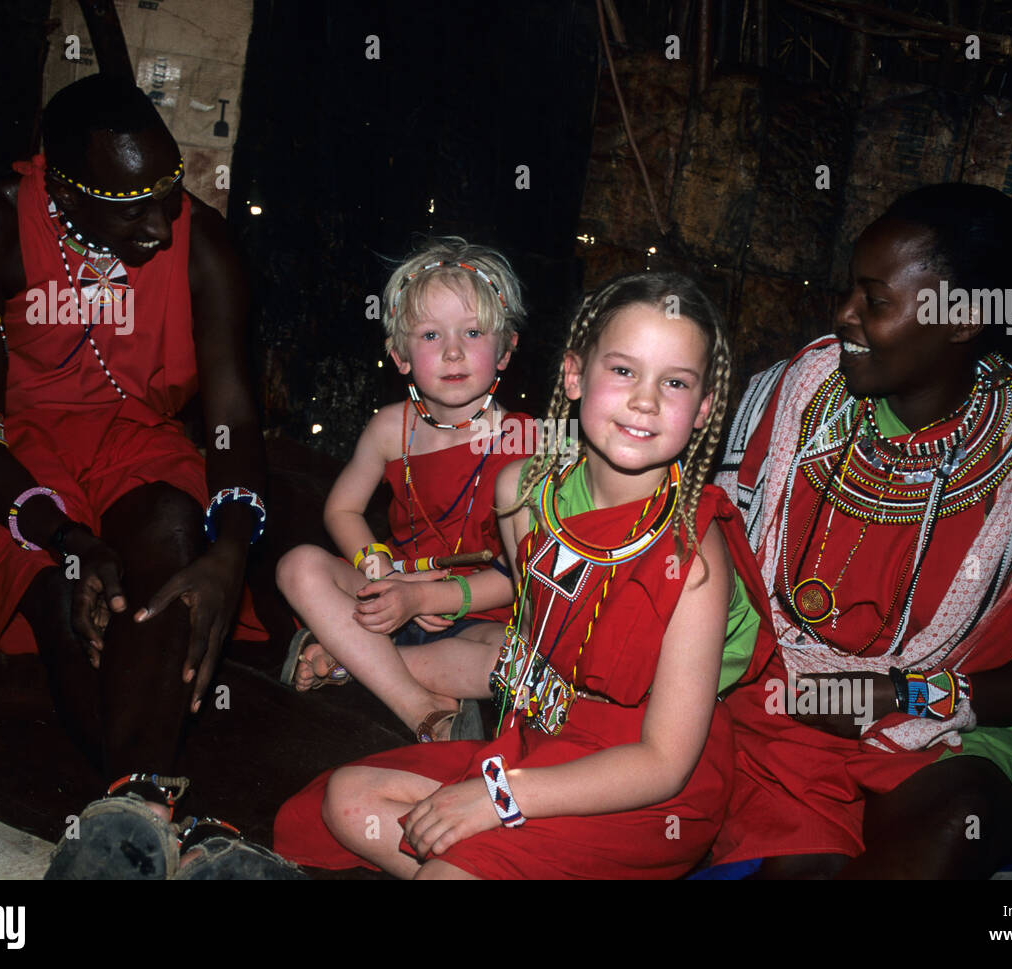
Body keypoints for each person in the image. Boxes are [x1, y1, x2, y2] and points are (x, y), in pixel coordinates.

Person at [273, 271, 773, 879]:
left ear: (703, 410)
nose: (646, 399)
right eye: (622, 370)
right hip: (545, 736)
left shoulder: (693, 555)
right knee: (348, 801)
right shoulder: (522, 493)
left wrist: (501, 799)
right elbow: (528, 648)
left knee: (444, 872)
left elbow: (664, 761)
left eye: (674, 382)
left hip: (641, 784)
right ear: (573, 375)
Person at [711, 183, 1012, 878]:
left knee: (951, 827)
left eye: (874, 302)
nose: (843, 314)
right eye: (852, 290)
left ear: (963, 318)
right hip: (774, 693)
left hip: (951, 728)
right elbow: (719, 571)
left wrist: (906, 695)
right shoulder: (792, 398)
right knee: (788, 855)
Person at [0, 73, 267, 781]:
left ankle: (134, 800)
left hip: (138, 440)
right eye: (131, 208)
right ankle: (144, 797)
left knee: (178, 552)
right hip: (14, 455)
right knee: (66, 594)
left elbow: (233, 416)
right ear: (60, 190)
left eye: (168, 194)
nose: (160, 225)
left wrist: (231, 547)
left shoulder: (204, 242)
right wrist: (66, 538)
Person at [275, 239, 532, 743]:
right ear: (400, 357)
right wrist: (382, 572)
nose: (453, 351)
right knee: (297, 566)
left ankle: (350, 661)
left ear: (505, 350)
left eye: (473, 332)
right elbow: (343, 508)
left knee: (525, 667)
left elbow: (520, 579)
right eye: (431, 334)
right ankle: (418, 705)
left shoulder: (527, 445)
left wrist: (432, 599)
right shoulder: (389, 429)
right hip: (388, 594)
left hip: (477, 610)